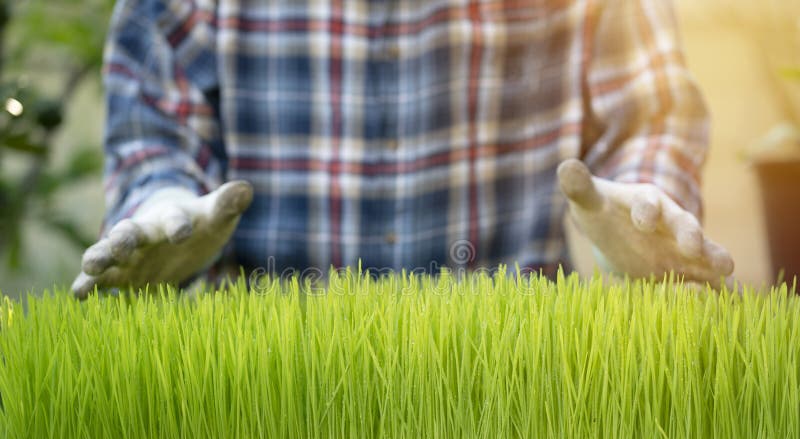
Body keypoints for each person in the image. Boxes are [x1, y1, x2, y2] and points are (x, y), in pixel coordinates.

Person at [72, 0, 734, 298]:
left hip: (520, 408)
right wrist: (161, 205)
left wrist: (645, 204)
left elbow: (651, 114)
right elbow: (154, 138)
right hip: (255, 419)